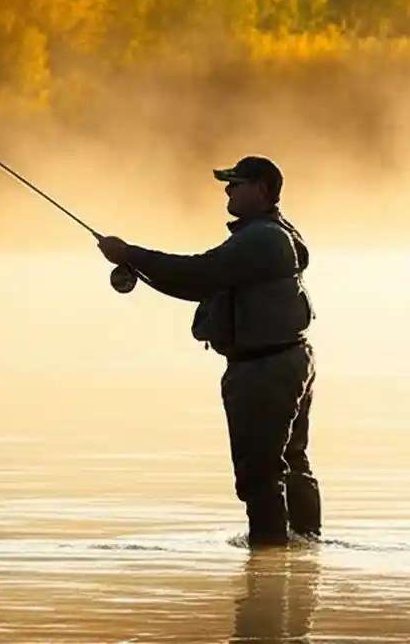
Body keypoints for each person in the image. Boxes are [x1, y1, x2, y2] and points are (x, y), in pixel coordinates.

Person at [97, 155, 321, 546]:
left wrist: (130, 254)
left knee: (259, 474)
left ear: (264, 190)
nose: (228, 191)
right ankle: (304, 551)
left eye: (237, 184)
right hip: (285, 360)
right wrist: (138, 263)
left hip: (264, 370)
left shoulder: (263, 239)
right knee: (290, 464)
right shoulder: (271, 234)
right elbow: (196, 283)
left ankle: (269, 557)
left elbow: (198, 276)